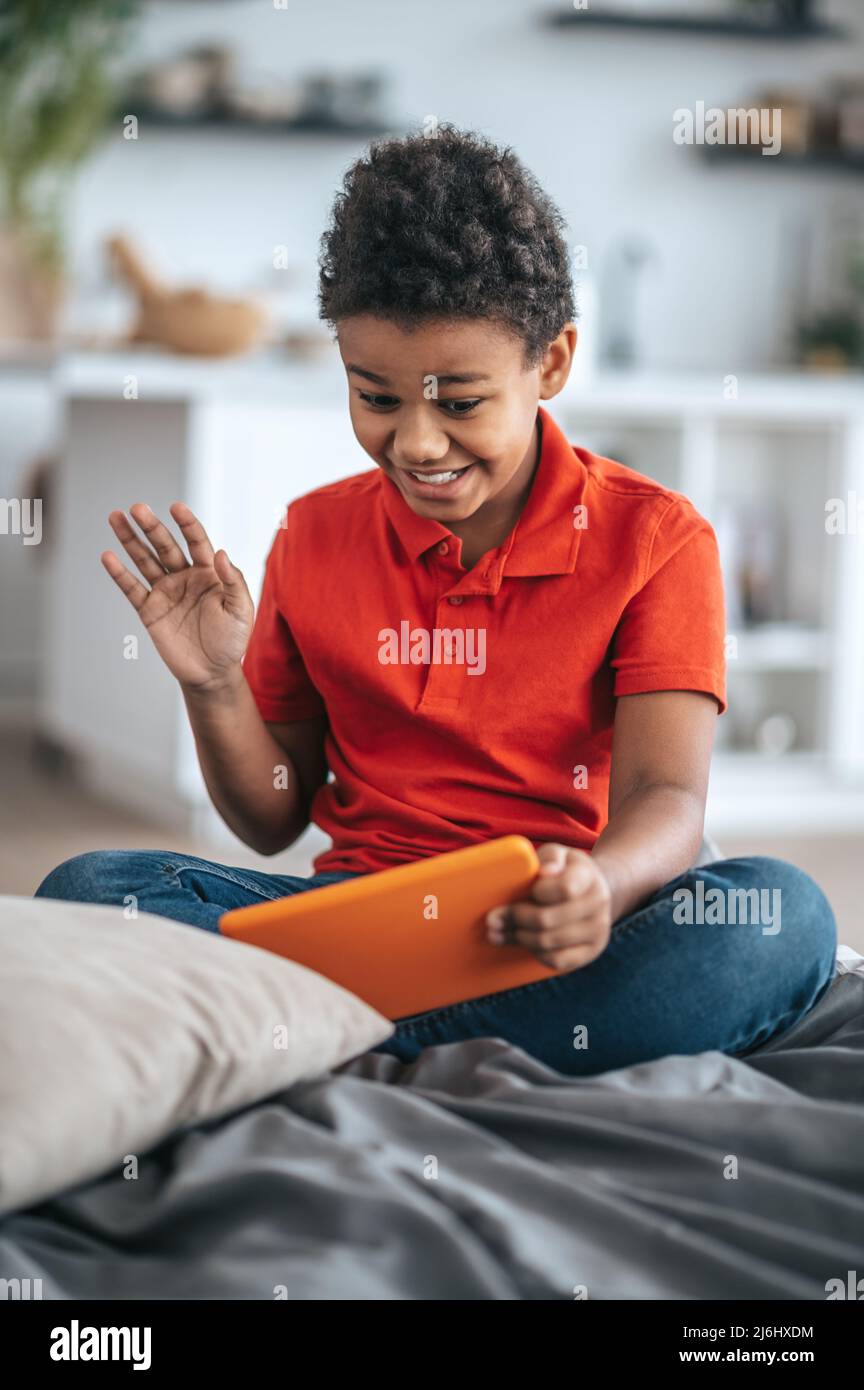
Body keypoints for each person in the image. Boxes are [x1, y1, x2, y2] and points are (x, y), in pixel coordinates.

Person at [35, 127, 836, 1077]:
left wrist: (603, 883)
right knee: (90, 886)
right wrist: (214, 685)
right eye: (375, 396)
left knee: (782, 917)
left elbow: (666, 797)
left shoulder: (657, 542)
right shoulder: (313, 534)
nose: (415, 442)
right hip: (355, 926)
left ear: (551, 364)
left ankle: (322, 1030)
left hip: (554, 933)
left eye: (458, 402)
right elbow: (271, 820)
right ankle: (434, 1038)